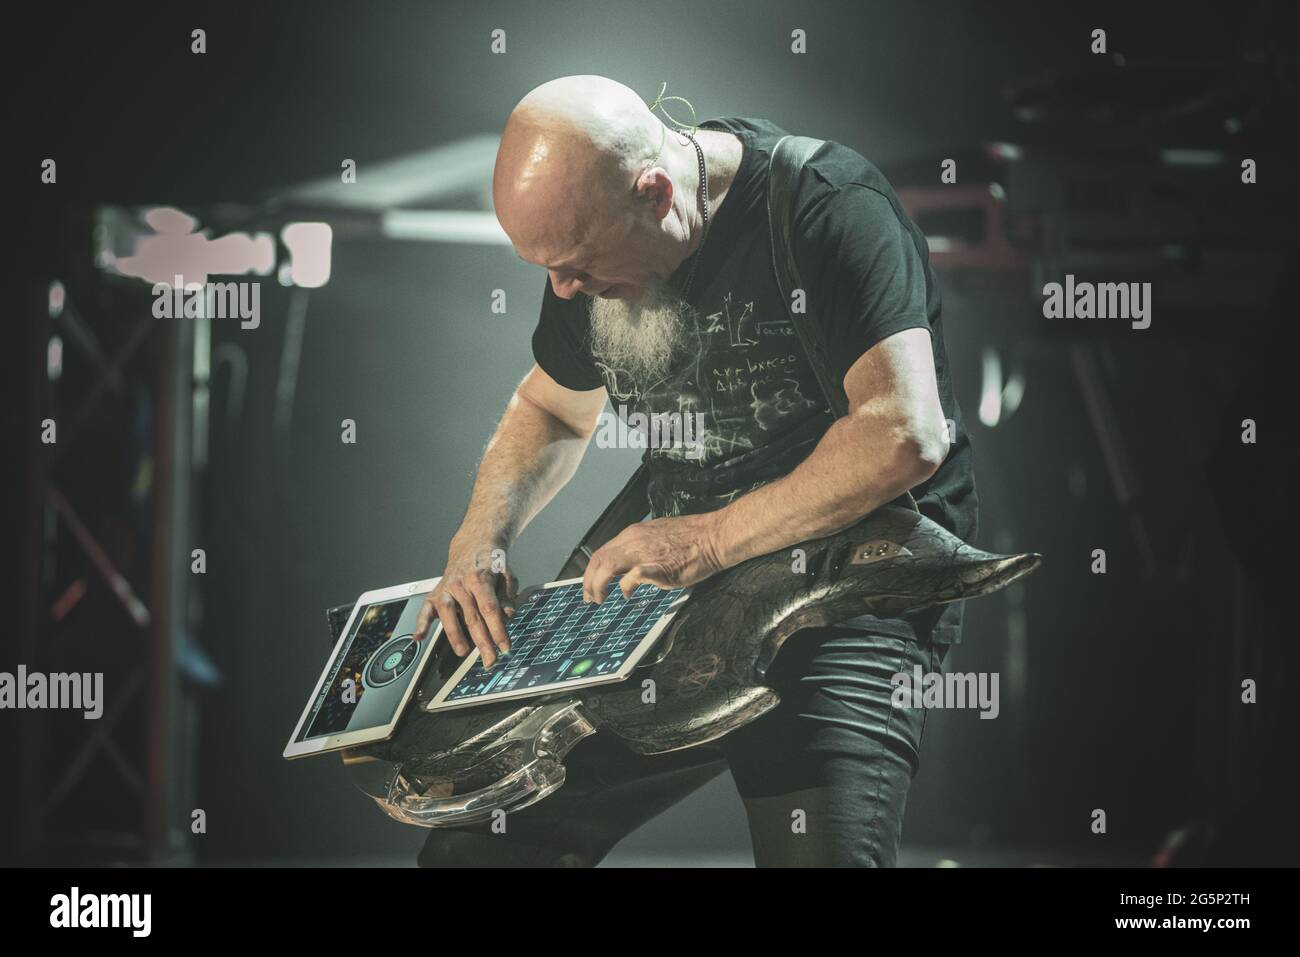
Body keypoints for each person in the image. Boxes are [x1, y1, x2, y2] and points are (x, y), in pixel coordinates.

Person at [411, 74, 977, 866]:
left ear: (654, 191)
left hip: (846, 582)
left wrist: (705, 542)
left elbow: (902, 433)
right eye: (546, 268)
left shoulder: (825, 205)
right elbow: (552, 406)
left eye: (574, 264)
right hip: (671, 591)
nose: (563, 288)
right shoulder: (589, 245)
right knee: (476, 852)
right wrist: (480, 535)